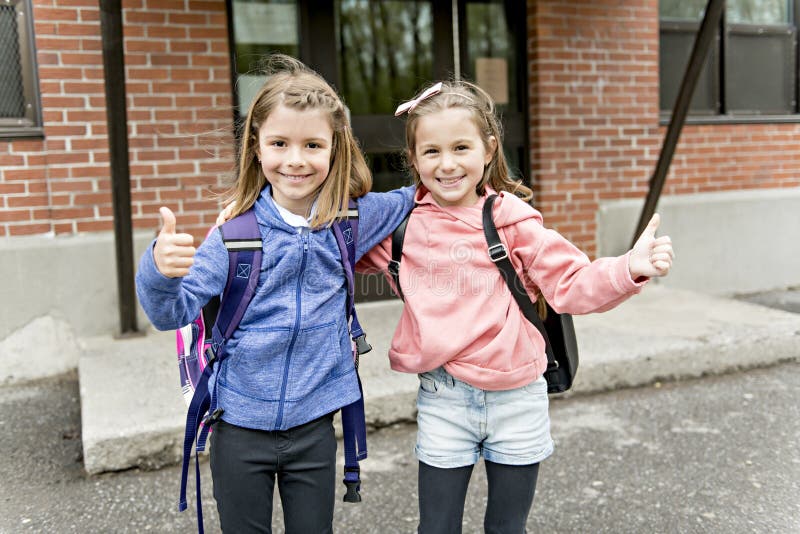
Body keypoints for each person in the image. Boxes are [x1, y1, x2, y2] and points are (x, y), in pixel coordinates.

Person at [356, 80, 675, 533]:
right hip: (443, 398)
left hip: (518, 399)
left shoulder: (512, 222)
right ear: (413, 160)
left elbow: (571, 282)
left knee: (507, 528)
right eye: (431, 152)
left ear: (488, 150)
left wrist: (629, 268)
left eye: (461, 147)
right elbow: (330, 247)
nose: (447, 164)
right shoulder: (400, 229)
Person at [135, 54, 415, 534]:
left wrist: (478, 176)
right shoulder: (234, 236)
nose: (296, 159)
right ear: (257, 147)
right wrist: (159, 271)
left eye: (312, 144)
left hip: (314, 428)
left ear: (335, 147)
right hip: (239, 428)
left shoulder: (352, 220)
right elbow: (171, 313)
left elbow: (425, 192)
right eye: (279, 143)